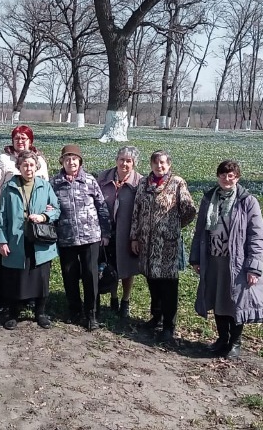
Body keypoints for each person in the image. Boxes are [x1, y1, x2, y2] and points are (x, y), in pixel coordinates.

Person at [189, 160, 263, 359]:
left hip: (237, 262)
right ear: (218, 176)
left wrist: (254, 267)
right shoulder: (209, 198)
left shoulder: (247, 201)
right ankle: (222, 339)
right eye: (223, 175)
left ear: (237, 178)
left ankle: (235, 342)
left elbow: (257, 236)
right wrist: (196, 259)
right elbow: (200, 231)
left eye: (231, 175)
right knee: (218, 300)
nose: (226, 179)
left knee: (235, 303)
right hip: (214, 259)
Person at [130, 150, 196, 341]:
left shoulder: (177, 183)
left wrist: (174, 225)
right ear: (151, 165)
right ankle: (156, 316)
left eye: (163, 163)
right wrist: (134, 237)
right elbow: (136, 211)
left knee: (168, 284)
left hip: (167, 244)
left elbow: (189, 209)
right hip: (146, 242)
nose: (159, 166)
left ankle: (169, 325)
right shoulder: (143, 183)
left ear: (169, 165)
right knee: (152, 280)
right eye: (156, 163)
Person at [0, 150, 61, 330]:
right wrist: (2, 240)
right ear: (19, 167)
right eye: (25, 165)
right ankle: (13, 313)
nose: (28, 168)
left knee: (41, 277)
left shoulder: (44, 185)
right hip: (16, 239)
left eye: (32, 165)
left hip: (39, 238)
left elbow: (56, 209)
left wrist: (44, 216)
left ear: (36, 167)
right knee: (15, 278)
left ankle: (40, 313)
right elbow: (1, 217)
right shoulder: (9, 188)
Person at [51, 144, 112, 331]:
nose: (71, 162)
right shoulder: (54, 183)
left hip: (90, 237)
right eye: (67, 159)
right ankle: (74, 310)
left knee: (90, 274)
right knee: (69, 275)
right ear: (62, 161)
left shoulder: (89, 181)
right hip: (66, 237)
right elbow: (51, 209)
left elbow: (101, 206)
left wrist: (106, 232)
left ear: (80, 161)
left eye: (75, 159)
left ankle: (92, 313)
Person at [0, 125, 49, 312]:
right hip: (7, 215)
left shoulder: (39, 160)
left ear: (31, 141)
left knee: (30, 257)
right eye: (17, 138)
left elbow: (45, 185)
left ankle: (29, 296)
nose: (20, 141)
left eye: (24, 138)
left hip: (31, 219)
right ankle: (0, 297)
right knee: (2, 257)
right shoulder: (4, 159)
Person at [97, 145, 143, 318]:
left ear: (134, 163)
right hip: (106, 231)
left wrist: (136, 236)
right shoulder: (103, 177)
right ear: (116, 160)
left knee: (128, 268)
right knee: (110, 265)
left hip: (129, 233)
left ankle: (125, 300)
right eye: (122, 159)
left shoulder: (140, 182)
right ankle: (113, 297)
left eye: (129, 161)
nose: (124, 164)